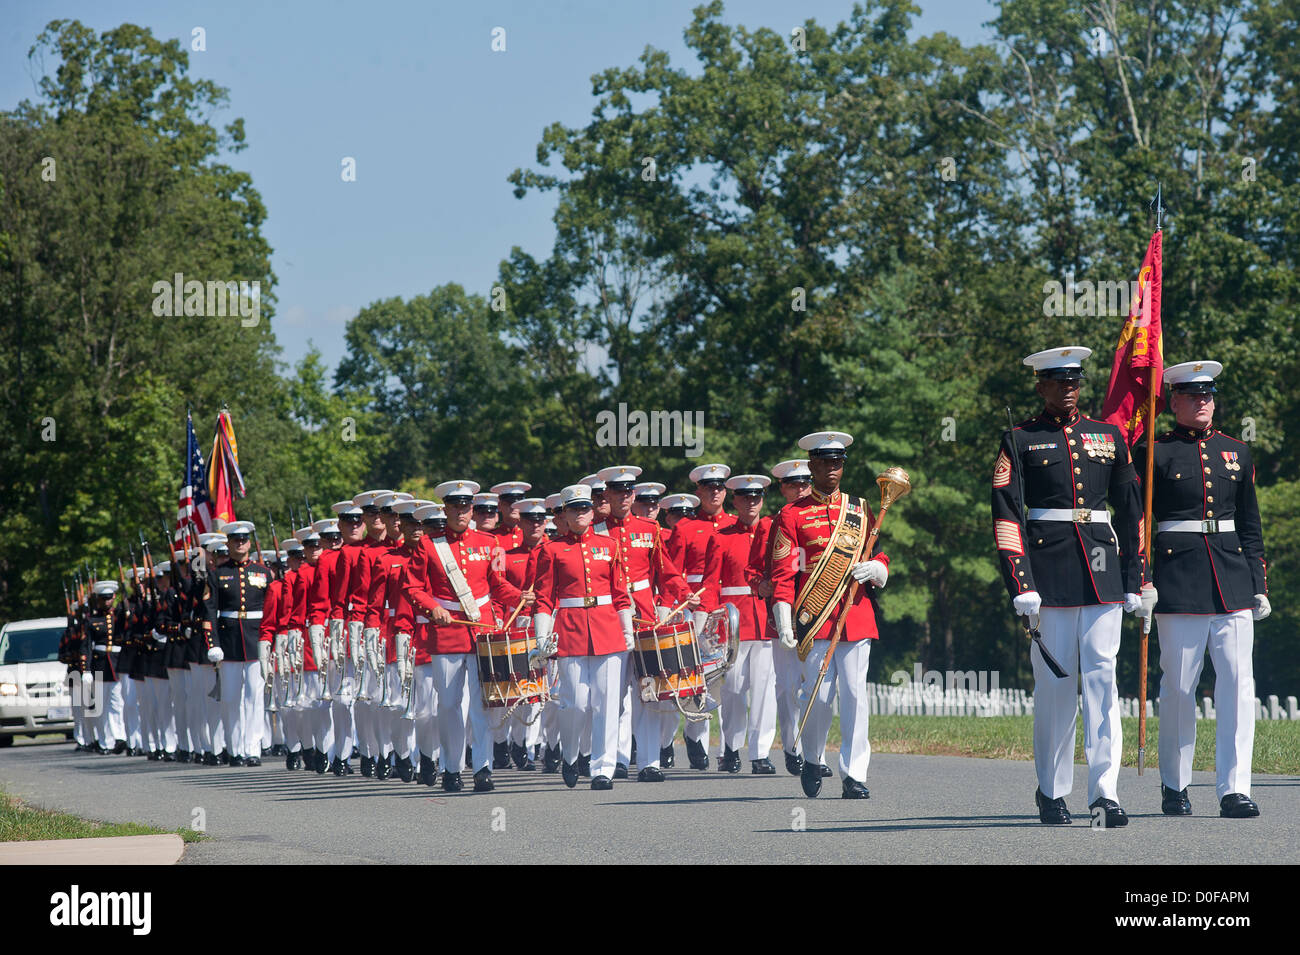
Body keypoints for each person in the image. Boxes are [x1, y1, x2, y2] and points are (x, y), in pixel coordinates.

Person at [991, 347, 1145, 826]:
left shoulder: (1109, 435)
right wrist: (1020, 580)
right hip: (1047, 573)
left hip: (1103, 573)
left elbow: (1133, 509)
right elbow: (1006, 514)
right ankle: (1053, 792)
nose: (1068, 388)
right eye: (1058, 381)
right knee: (1056, 687)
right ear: (1041, 386)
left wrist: (1136, 576)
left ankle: (1105, 793)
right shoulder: (1020, 439)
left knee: (1103, 680)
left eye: (1074, 380)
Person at [1137, 360, 1269, 819]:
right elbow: (1138, 522)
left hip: (1232, 582)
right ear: (1173, 401)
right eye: (1192, 396)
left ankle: (1234, 788)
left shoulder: (1237, 452)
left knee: (1237, 685)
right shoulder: (1155, 451)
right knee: (1178, 688)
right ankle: (1175, 784)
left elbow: (1250, 525)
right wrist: (1142, 578)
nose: (1202, 402)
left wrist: (1258, 582)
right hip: (1178, 583)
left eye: (1208, 395)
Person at [770, 433, 888, 799]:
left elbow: (878, 551)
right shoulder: (791, 514)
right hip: (815, 618)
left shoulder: (860, 509)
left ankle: (855, 773)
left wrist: (878, 569)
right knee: (817, 696)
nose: (833, 469)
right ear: (812, 466)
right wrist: (785, 618)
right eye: (825, 462)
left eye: (838, 462)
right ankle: (812, 756)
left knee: (855, 694)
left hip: (856, 614)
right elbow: (783, 574)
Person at [402, 480, 521, 792]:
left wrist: (522, 597)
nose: (460, 511)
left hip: (482, 630)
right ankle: (452, 768)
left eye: (465, 506)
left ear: (472, 509)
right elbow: (412, 587)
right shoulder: (429, 545)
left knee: (482, 704)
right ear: (445, 509)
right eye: (454, 506)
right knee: (450, 705)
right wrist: (431, 608)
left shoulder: (491, 542)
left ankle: (483, 767)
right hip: (447, 631)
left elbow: (499, 584)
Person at [594, 465, 695, 782]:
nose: (623, 496)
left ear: (633, 494)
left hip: (645, 617)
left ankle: (649, 761)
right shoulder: (595, 531)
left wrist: (684, 592)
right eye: (617, 491)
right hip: (609, 618)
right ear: (607, 495)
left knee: (649, 691)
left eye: (628, 491)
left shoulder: (649, 529)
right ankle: (615, 761)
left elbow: (665, 570)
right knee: (613, 694)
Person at [532, 484, 633, 790]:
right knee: (574, 704)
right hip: (571, 631)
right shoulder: (551, 550)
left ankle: (603, 767)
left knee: (606, 703)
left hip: (608, 630)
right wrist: (542, 638)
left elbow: (621, 594)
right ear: (563, 514)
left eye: (585, 508)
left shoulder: (609, 545)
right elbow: (544, 598)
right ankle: (571, 754)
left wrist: (627, 629)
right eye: (574, 509)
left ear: (592, 511)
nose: (581, 514)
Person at [702, 473, 777, 774]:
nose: (751, 502)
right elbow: (710, 585)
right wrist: (709, 623)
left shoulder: (774, 535)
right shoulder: (721, 537)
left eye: (756, 497)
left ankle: (760, 753)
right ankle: (730, 748)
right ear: (735, 500)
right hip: (732, 626)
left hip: (765, 621)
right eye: (745, 497)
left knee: (763, 690)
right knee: (732, 689)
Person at [666, 464, 735, 769]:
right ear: (698, 492)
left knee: (727, 679)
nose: (715, 492)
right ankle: (695, 736)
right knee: (699, 677)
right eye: (709, 487)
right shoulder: (685, 528)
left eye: (719, 487)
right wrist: (680, 602)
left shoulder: (734, 524)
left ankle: (728, 749)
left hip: (727, 610)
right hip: (696, 609)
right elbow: (671, 572)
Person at [750, 459, 815, 775]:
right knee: (788, 686)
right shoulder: (769, 524)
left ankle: (816, 753)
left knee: (817, 684)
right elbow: (753, 569)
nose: (801, 489)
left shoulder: (823, 519)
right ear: (783, 488)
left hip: (817, 611)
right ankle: (792, 746)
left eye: (805, 483)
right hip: (783, 614)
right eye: (794, 484)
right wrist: (761, 584)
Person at [202, 520, 273, 767]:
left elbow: (271, 610)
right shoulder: (217, 574)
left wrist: (269, 641)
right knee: (231, 699)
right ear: (229, 543)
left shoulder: (264, 573)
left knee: (255, 698)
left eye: (244, 540)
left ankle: (252, 749)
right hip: (230, 643)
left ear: (249, 543)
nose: (240, 543)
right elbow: (209, 612)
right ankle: (235, 749)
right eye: (235, 540)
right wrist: (213, 643)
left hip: (256, 641)